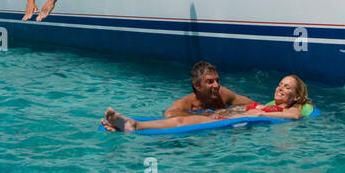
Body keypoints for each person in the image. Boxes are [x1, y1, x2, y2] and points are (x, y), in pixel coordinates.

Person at [103, 68, 310, 132]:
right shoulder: (266, 105)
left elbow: (296, 114)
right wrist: (261, 109)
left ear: (297, 96)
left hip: (220, 120)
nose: (280, 88)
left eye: (287, 87)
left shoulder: (293, 109)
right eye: (280, 84)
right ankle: (132, 124)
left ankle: (135, 125)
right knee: (181, 120)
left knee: (183, 123)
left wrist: (260, 112)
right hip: (219, 117)